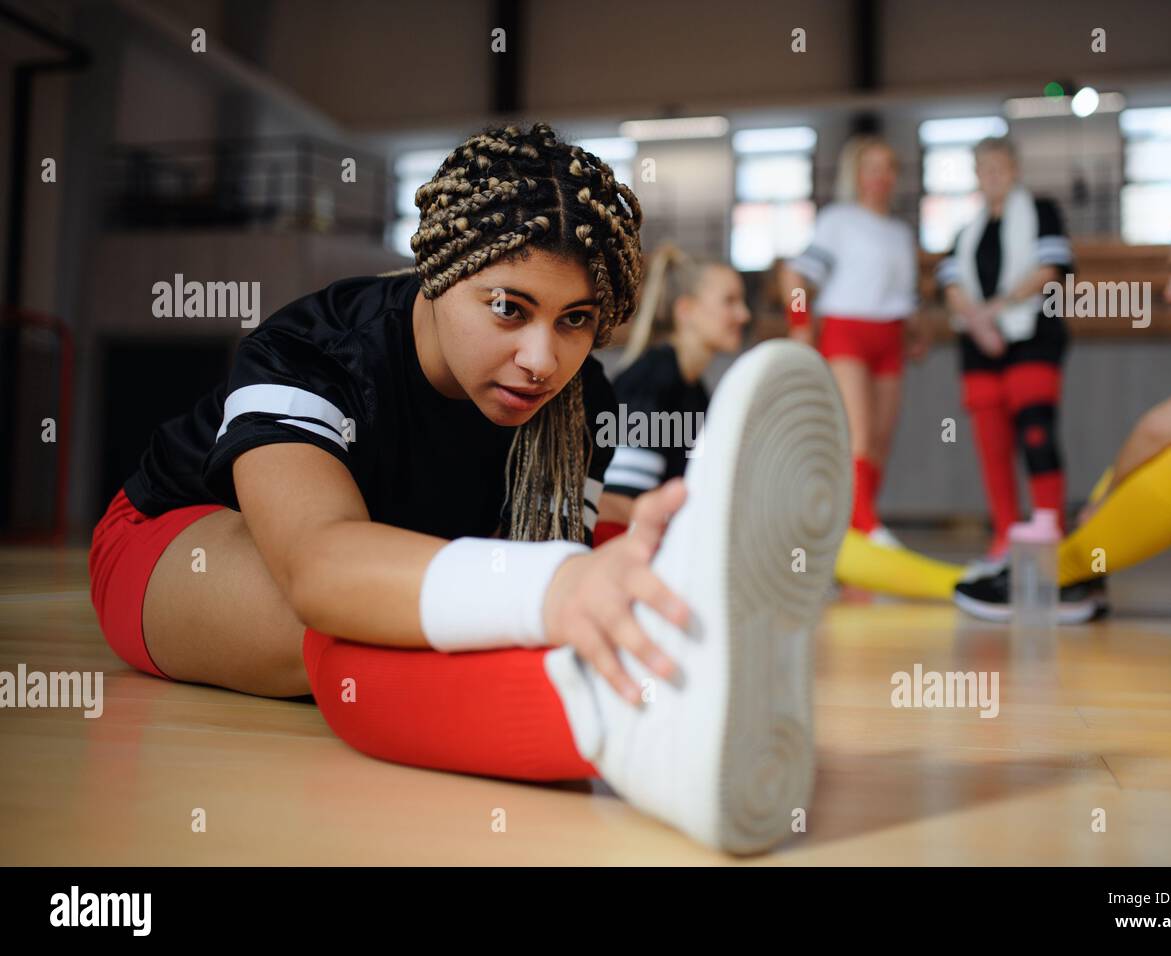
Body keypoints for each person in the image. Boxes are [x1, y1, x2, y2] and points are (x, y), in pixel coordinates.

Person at [88, 122, 852, 854]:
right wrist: (555, 585)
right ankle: (613, 729)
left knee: (608, 564)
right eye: (508, 308)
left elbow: (527, 575)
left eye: (575, 319)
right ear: (439, 269)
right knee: (336, 621)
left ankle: (699, 661)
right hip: (179, 538)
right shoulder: (313, 351)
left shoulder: (581, 404)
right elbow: (319, 566)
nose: (541, 359)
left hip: (406, 547)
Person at [955, 205, 1171, 622]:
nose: (1170, 292)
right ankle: (1074, 571)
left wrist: (1102, 503)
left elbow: (1160, 426)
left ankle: (1060, 576)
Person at [781, 134, 928, 548]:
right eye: (871, 168)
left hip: (890, 337)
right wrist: (800, 324)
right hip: (847, 331)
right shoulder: (838, 221)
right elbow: (795, 276)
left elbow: (906, 294)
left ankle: (855, 526)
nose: (880, 177)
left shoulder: (900, 231)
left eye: (888, 168)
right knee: (857, 435)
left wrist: (917, 333)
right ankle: (865, 526)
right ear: (857, 175)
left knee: (880, 442)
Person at [936, 136, 1074, 562]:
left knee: (1035, 427)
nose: (993, 174)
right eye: (984, 167)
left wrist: (995, 310)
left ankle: (1049, 525)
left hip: (1032, 335)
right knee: (991, 442)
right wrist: (979, 323)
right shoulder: (965, 231)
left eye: (1000, 165)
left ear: (1014, 169)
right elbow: (950, 285)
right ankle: (1004, 536)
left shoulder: (1042, 213)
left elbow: (1051, 270)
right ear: (976, 175)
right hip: (978, 344)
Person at [595, 243, 751, 540]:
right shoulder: (652, 381)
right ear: (686, 310)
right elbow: (615, 502)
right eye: (729, 301)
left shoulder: (693, 387)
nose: (744, 314)